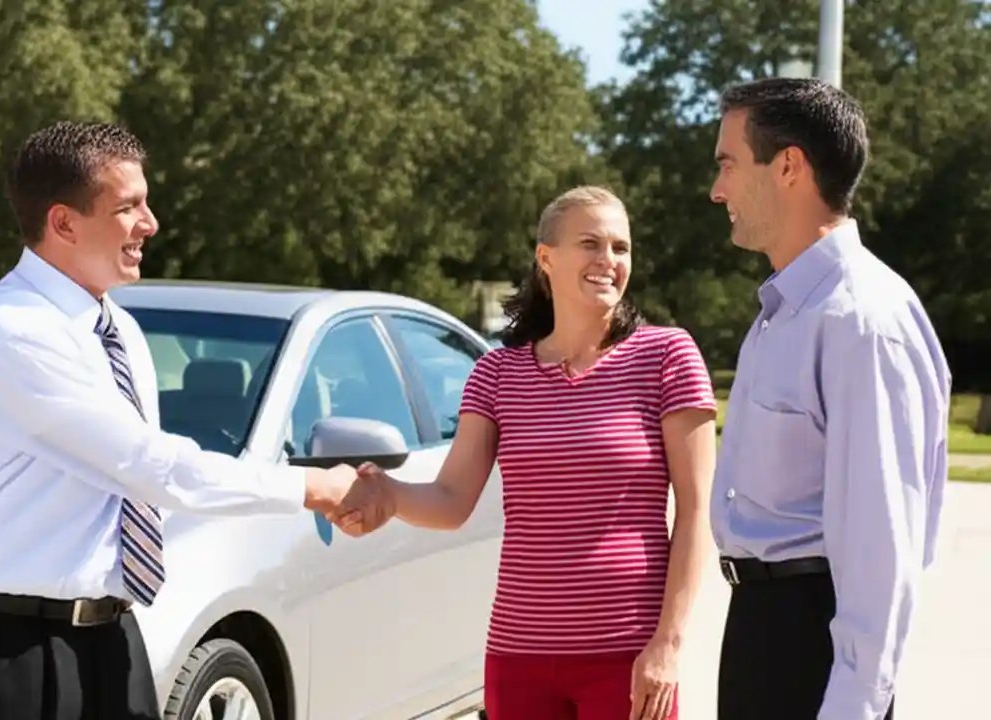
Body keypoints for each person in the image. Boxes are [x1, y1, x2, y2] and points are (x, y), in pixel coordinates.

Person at [0, 121, 358, 720]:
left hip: (109, 640)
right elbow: (149, 466)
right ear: (64, 223)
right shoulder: (12, 333)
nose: (150, 223)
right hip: (8, 656)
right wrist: (315, 487)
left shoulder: (117, 329)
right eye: (129, 207)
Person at [338, 186, 719, 720]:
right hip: (520, 656)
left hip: (627, 653)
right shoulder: (497, 374)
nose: (608, 261)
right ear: (547, 258)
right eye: (590, 243)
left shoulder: (666, 355)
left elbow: (698, 510)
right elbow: (450, 500)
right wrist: (389, 493)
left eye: (621, 247)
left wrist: (669, 644)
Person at [707, 77, 951, 720]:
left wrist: (851, 708)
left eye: (728, 164)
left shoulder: (860, 320)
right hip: (764, 634)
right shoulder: (786, 311)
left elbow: (882, 553)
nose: (717, 190)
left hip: (810, 653)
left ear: (788, 165)